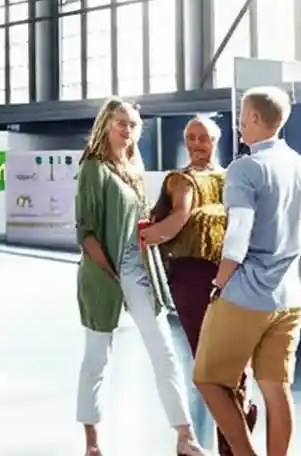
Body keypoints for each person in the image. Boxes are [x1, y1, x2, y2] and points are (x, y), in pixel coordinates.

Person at [193, 87, 301, 456]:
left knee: (207, 378)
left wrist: (219, 283)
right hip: (291, 296)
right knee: (276, 388)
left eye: (240, 116)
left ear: (253, 117)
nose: (238, 125)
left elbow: (238, 236)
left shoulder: (246, 168)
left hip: (246, 293)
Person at [75, 97, 210, 456]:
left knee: (164, 351)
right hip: (104, 273)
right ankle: (92, 442)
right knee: (97, 357)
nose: (128, 130)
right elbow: (85, 231)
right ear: (106, 123)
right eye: (121, 122)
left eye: (133, 125)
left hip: (140, 270)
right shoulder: (93, 169)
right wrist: (110, 272)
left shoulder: (134, 168)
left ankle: (185, 436)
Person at [141, 115, 258, 456]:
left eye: (203, 137)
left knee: (235, 362)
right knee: (211, 361)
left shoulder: (232, 178)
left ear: (216, 140)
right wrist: (141, 237)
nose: (196, 143)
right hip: (193, 277)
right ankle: (233, 445)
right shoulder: (181, 180)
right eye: (191, 136)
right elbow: (177, 219)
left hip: (234, 272)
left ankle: (235, 441)